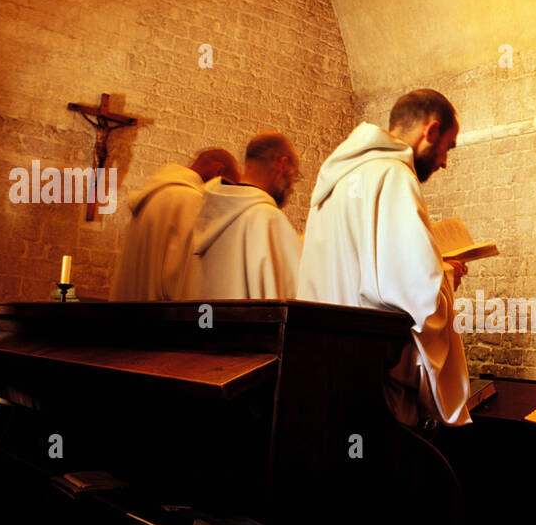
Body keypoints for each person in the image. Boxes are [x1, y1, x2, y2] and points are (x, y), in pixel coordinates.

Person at [298, 89, 470, 427]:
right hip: (374, 381)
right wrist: (448, 277)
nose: (445, 162)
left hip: (327, 368)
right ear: (431, 131)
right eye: (447, 147)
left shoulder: (334, 181)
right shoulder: (394, 176)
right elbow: (413, 293)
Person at [179, 133, 302, 300]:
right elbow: (294, 301)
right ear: (282, 164)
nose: (293, 188)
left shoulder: (204, 213)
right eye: (294, 176)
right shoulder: (267, 219)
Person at [109, 148, 240, 301]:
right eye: (227, 185)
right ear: (217, 171)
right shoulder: (191, 201)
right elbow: (181, 279)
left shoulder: (152, 195)